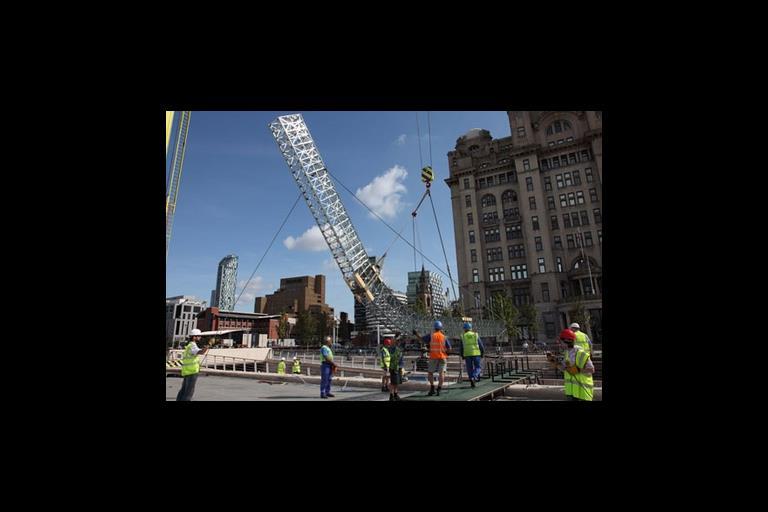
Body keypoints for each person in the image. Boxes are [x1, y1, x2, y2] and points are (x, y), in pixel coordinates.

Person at [548, 329, 594, 401]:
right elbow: (564, 369)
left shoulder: (581, 353)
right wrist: (554, 362)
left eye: (561, 342)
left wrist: (578, 370)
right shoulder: (566, 353)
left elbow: (591, 369)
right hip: (571, 392)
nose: (560, 344)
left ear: (567, 341)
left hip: (583, 391)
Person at [420, 321, 451, 396]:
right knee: (442, 373)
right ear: (441, 328)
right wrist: (447, 353)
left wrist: (416, 334)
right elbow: (449, 348)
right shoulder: (444, 337)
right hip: (442, 357)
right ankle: (439, 389)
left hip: (433, 357)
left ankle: (432, 388)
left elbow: (421, 339)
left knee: (430, 373)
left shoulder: (431, 335)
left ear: (434, 328)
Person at [176, 329, 208, 401]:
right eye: (198, 336)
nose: (200, 337)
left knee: (183, 390)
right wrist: (206, 348)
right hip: (192, 372)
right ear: (194, 337)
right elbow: (200, 352)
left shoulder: (189, 345)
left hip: (187, 371)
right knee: (189, 392)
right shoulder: (193, 345)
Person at [459, 322, 484, 388]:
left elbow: (461, 347)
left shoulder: (463, 336)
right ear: (471, 328)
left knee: (469, 368)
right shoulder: (475, 335)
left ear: (464, 329)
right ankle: (474, 377)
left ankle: (471, 379)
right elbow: (481, 345)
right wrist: (482, 353)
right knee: (478, 367)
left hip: (467, 354)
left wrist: (462, 355)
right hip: (476, 353)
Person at [388, 336, 406, 401]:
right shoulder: (392, 349)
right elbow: (394, 358)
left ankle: (395, 394)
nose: (399, 342)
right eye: (397, 341)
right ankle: (391, 395)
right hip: (394, 367)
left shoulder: (397, 348)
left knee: (397, 382)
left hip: (398, 367)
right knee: (393, 382)